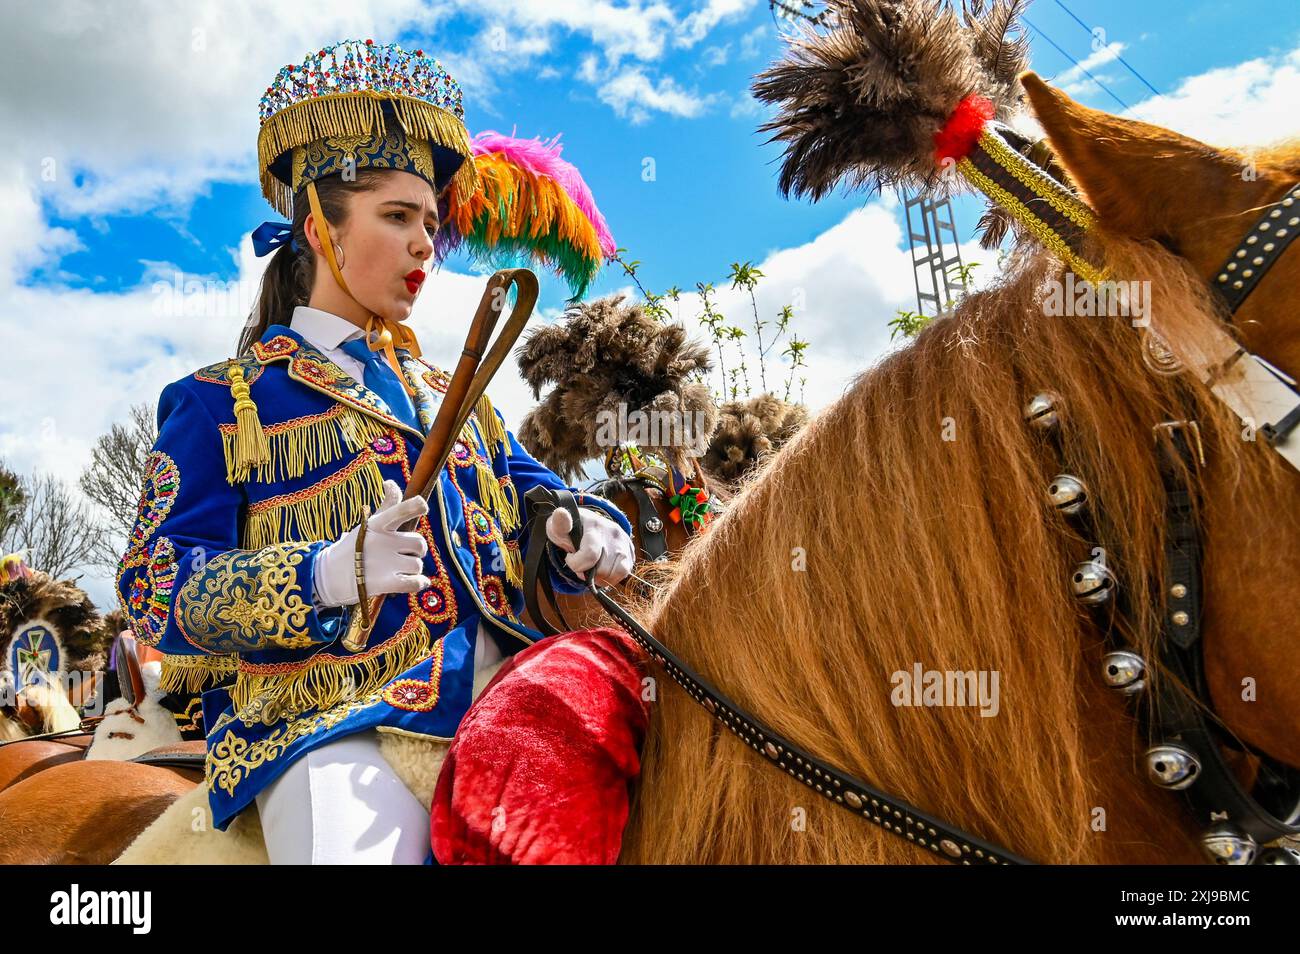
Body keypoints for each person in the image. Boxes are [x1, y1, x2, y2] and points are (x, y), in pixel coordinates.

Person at [115, 39, 635, 864]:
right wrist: (323, 574)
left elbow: (539, 495)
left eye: (430, 223)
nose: (425, 243)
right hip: (330, 725)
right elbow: (153, 585)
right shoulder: (221, 401)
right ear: (320, 226)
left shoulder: (454, 394)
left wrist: (587, 527)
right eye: (396, 218)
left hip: (511, 693)